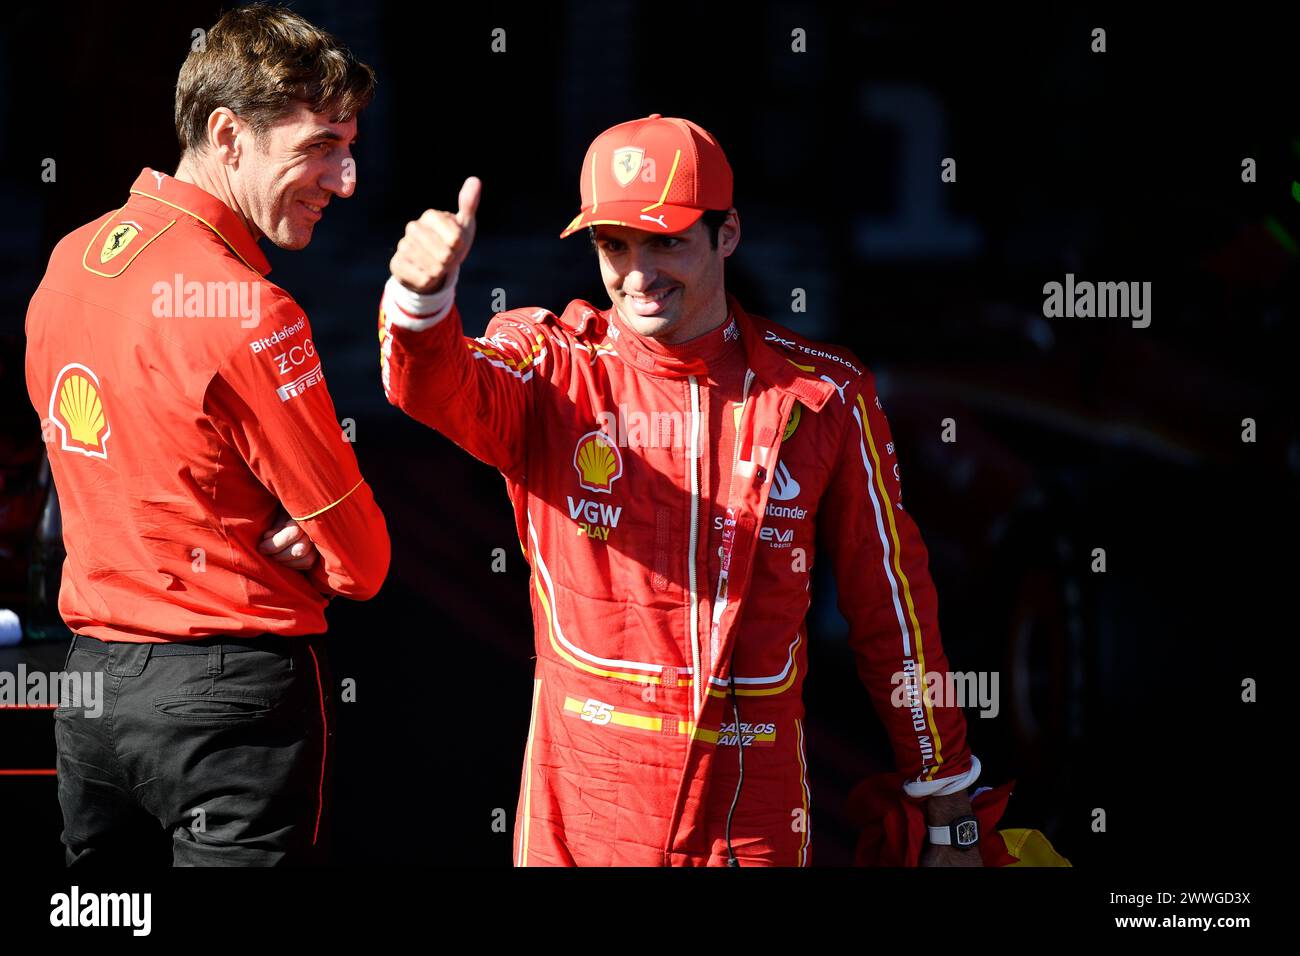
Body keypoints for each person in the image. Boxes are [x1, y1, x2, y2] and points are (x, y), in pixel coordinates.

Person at [379, 114, 981, 866]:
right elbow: (438, 386)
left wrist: (946, 801)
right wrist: (420, 300)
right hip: (585, 811)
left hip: (749, 818)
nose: (637, 275)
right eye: (614, 246)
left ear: (728, 234)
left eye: (665, 241)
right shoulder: (550, 365)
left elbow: (890, 604)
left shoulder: (823, 393)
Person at [24, 4, 388, 866]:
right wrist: (305, 540)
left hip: (87, 686)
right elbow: (364, 562)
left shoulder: (69, 257)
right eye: (319, 146)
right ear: (228, 135)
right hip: (226, 698)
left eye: (351, 147)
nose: (345, 180)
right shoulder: (250, 309)